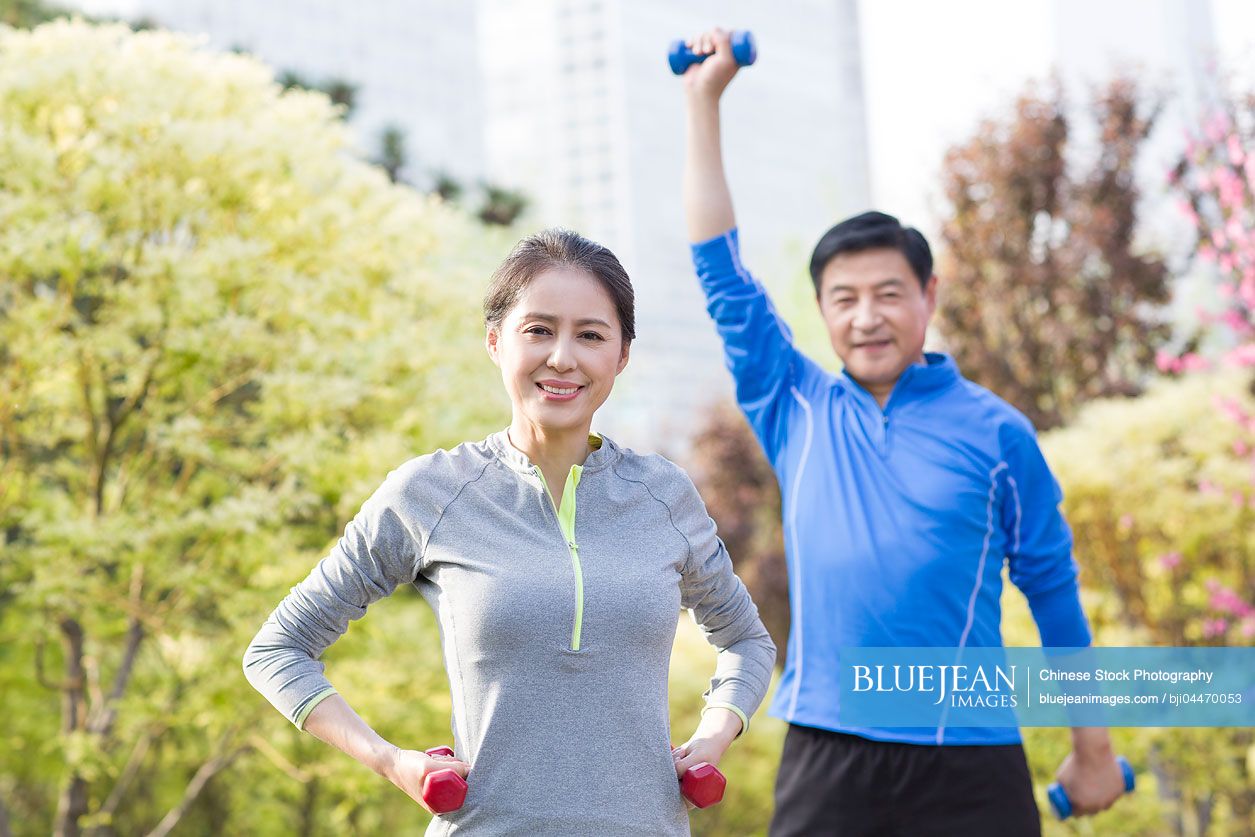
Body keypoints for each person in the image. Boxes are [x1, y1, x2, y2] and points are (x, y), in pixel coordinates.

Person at [678, 28, 1128, 836]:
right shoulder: (796, 405)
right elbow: (718, 265)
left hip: (969, 754)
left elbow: (1054, 597)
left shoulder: (998, 435)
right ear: (821, 310)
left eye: (888, 292)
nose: (866, 316)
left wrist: (1090, 747)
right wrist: (702, 103)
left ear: (927, 292)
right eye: (843, 298)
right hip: (829, 746)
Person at [243, 228, 775, 836]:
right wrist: (391, 762)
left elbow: (748, 642)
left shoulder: (664, 497)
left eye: (591, 335)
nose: (562, 358)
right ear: (496, 341)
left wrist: (715, 733)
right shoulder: (431, 493)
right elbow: (278, 650)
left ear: (621, 356)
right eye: (539, 330)